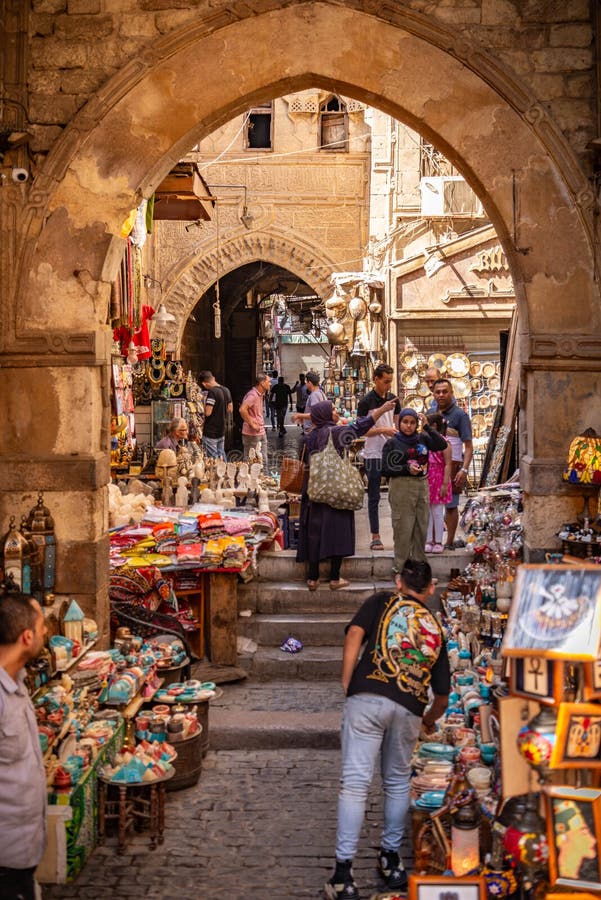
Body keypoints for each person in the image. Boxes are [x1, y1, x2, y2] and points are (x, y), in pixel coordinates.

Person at [325, 559, 450, 900]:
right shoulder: (434, 625)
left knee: (354, 783)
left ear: (399, 582)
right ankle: (391, 859)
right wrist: (427, 719)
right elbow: (442, 695)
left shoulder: (381, 601)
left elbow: (354, 633)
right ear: (431, 588)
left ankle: (343, 875)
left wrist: (348, 679)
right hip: (409, 707)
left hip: (367, 695)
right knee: (397, 781)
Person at [297, 398, 396, 591]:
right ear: (325, 415)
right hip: (336, 488)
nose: (335, 412)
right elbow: (361, 426)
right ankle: (335, 578)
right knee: (338, 529)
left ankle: (313, 578)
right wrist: (382, 410)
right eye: (332, 409)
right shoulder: (337, 433)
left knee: (314, 532)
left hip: (314, 489)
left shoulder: (308, 436)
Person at [0, 590, 48, 900]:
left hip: (22, 853)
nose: (46, 631)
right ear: (27, 636)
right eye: (42, 625)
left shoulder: (16, 682)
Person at [382, 408, 448, 575]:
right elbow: (384, 468)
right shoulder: (392, 443)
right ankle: (400, 570)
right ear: (399, 422)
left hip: (421, 485)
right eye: (405, 422)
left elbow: (441, 445)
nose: (409, 426)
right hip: (401, 486)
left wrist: (427, 427)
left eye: (412, 423)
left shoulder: (422, 439)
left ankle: (419, 570)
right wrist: (406, 468)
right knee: (403, 529)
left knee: (421, 528)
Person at [356, 363, 400, 551]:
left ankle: (399, 533)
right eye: (385, 381)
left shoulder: (394, 400)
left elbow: (398, 424)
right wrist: (384, 430)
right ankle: (375, 535)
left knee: (397, 494)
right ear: (376, 379)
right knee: (373, 495)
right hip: (373, 452)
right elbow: (362, 430)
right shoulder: (365, 402)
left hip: (392, 452)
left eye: (390, 382)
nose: (388, 386)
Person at [432, 379, 473, 550]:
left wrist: (463, 469)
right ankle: (434, 542)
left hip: (454, 466)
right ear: (433, 394)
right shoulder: (431, 413)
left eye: (445, 391)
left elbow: (469, 446)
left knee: (451, 505)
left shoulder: (460, 416)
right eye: (438, 392)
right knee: (433, 506)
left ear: (451, 393)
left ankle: (448, 542)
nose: (441, 394)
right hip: (434, 467)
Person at [425, 412, 452, 553]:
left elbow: (448, 464)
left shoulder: (445, 443)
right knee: (427, 511)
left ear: (433, 426)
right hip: (427, 477)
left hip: (439, 478)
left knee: (437, 511)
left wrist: (445, 483)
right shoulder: (426, 441)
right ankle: (428, 540)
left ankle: (438, 541)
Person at [199, 370, 233, 460]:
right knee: (221, 454)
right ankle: (226, 472)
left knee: (214, 458)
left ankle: (217, 473)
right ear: (213, 378)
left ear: (204, 384)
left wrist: (203, 403)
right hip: (221, 430)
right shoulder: (226, 390)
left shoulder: (212, 392)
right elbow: (230, 409)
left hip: (211, 431)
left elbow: (208, 412)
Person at [291, 371, 327, 454]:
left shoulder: (314, 395)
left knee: (309, 460)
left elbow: (315, 414)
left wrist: (299, 415)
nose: (306, 384)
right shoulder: (321, 393)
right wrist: (303, 418)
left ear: (310, 383)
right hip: (317, 431)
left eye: (307, 382)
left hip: (313, 433)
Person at [239, 372, 270, 459]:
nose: (270, 383)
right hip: (252, 434)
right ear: (262, 383)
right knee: (251, 461)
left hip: (260, 431)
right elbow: (242, 409)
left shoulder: (259, 394)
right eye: (268, 381)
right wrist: (252, 424)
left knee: (263, 459)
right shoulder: (253, 395)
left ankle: (263, 472)